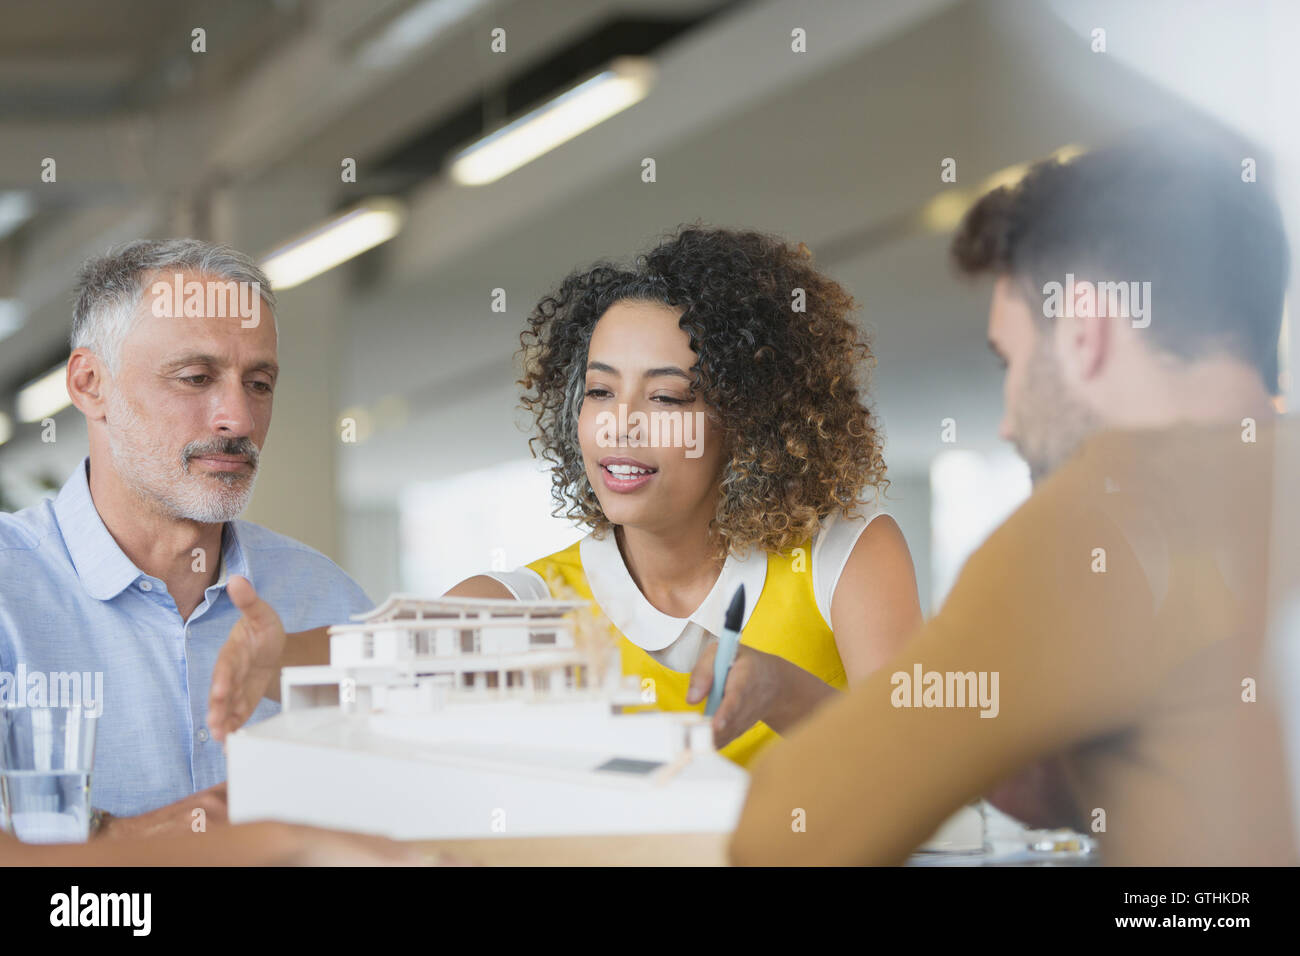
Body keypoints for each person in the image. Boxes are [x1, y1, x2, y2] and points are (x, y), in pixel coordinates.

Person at [728, 128, 1299, 865]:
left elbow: (785, 833)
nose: (1006, 419)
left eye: (1013, 360)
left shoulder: (1105, 520)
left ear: (1086, 330)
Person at [215, 227, 923, 769]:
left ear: (746, 417)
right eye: (601, 390)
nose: (621, 423)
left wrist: (780, 690)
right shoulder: (538, 600)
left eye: (668, 395)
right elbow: (386, 656)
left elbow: (919, 772)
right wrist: (272, 656)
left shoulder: (842, 555)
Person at [0, 240, 372, 837]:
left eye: (259, 383)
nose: (239, 420)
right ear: (90, 382)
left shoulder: (329, 601)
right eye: (196, 378)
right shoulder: (10, 592)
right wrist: (123, 837)